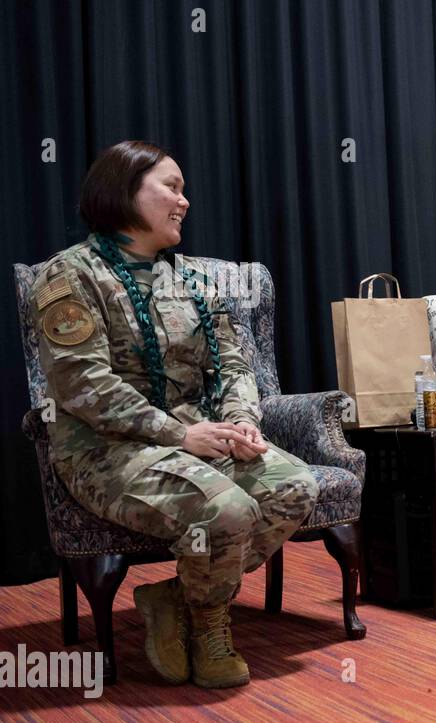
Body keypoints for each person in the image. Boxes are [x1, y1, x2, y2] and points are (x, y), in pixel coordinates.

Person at [29, 140, 318, 688]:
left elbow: (234, 365)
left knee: (295, 487)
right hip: (104, 449)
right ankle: (212, 625)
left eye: (184, 190)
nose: (184, 201)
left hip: (194, 435)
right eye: (172, 187)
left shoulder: (193, 282)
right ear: (123, 192)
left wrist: (242, 422)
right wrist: (179, 433)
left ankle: (174, 600)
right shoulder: (67, 279)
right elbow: (82, 385)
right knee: (227, 511)